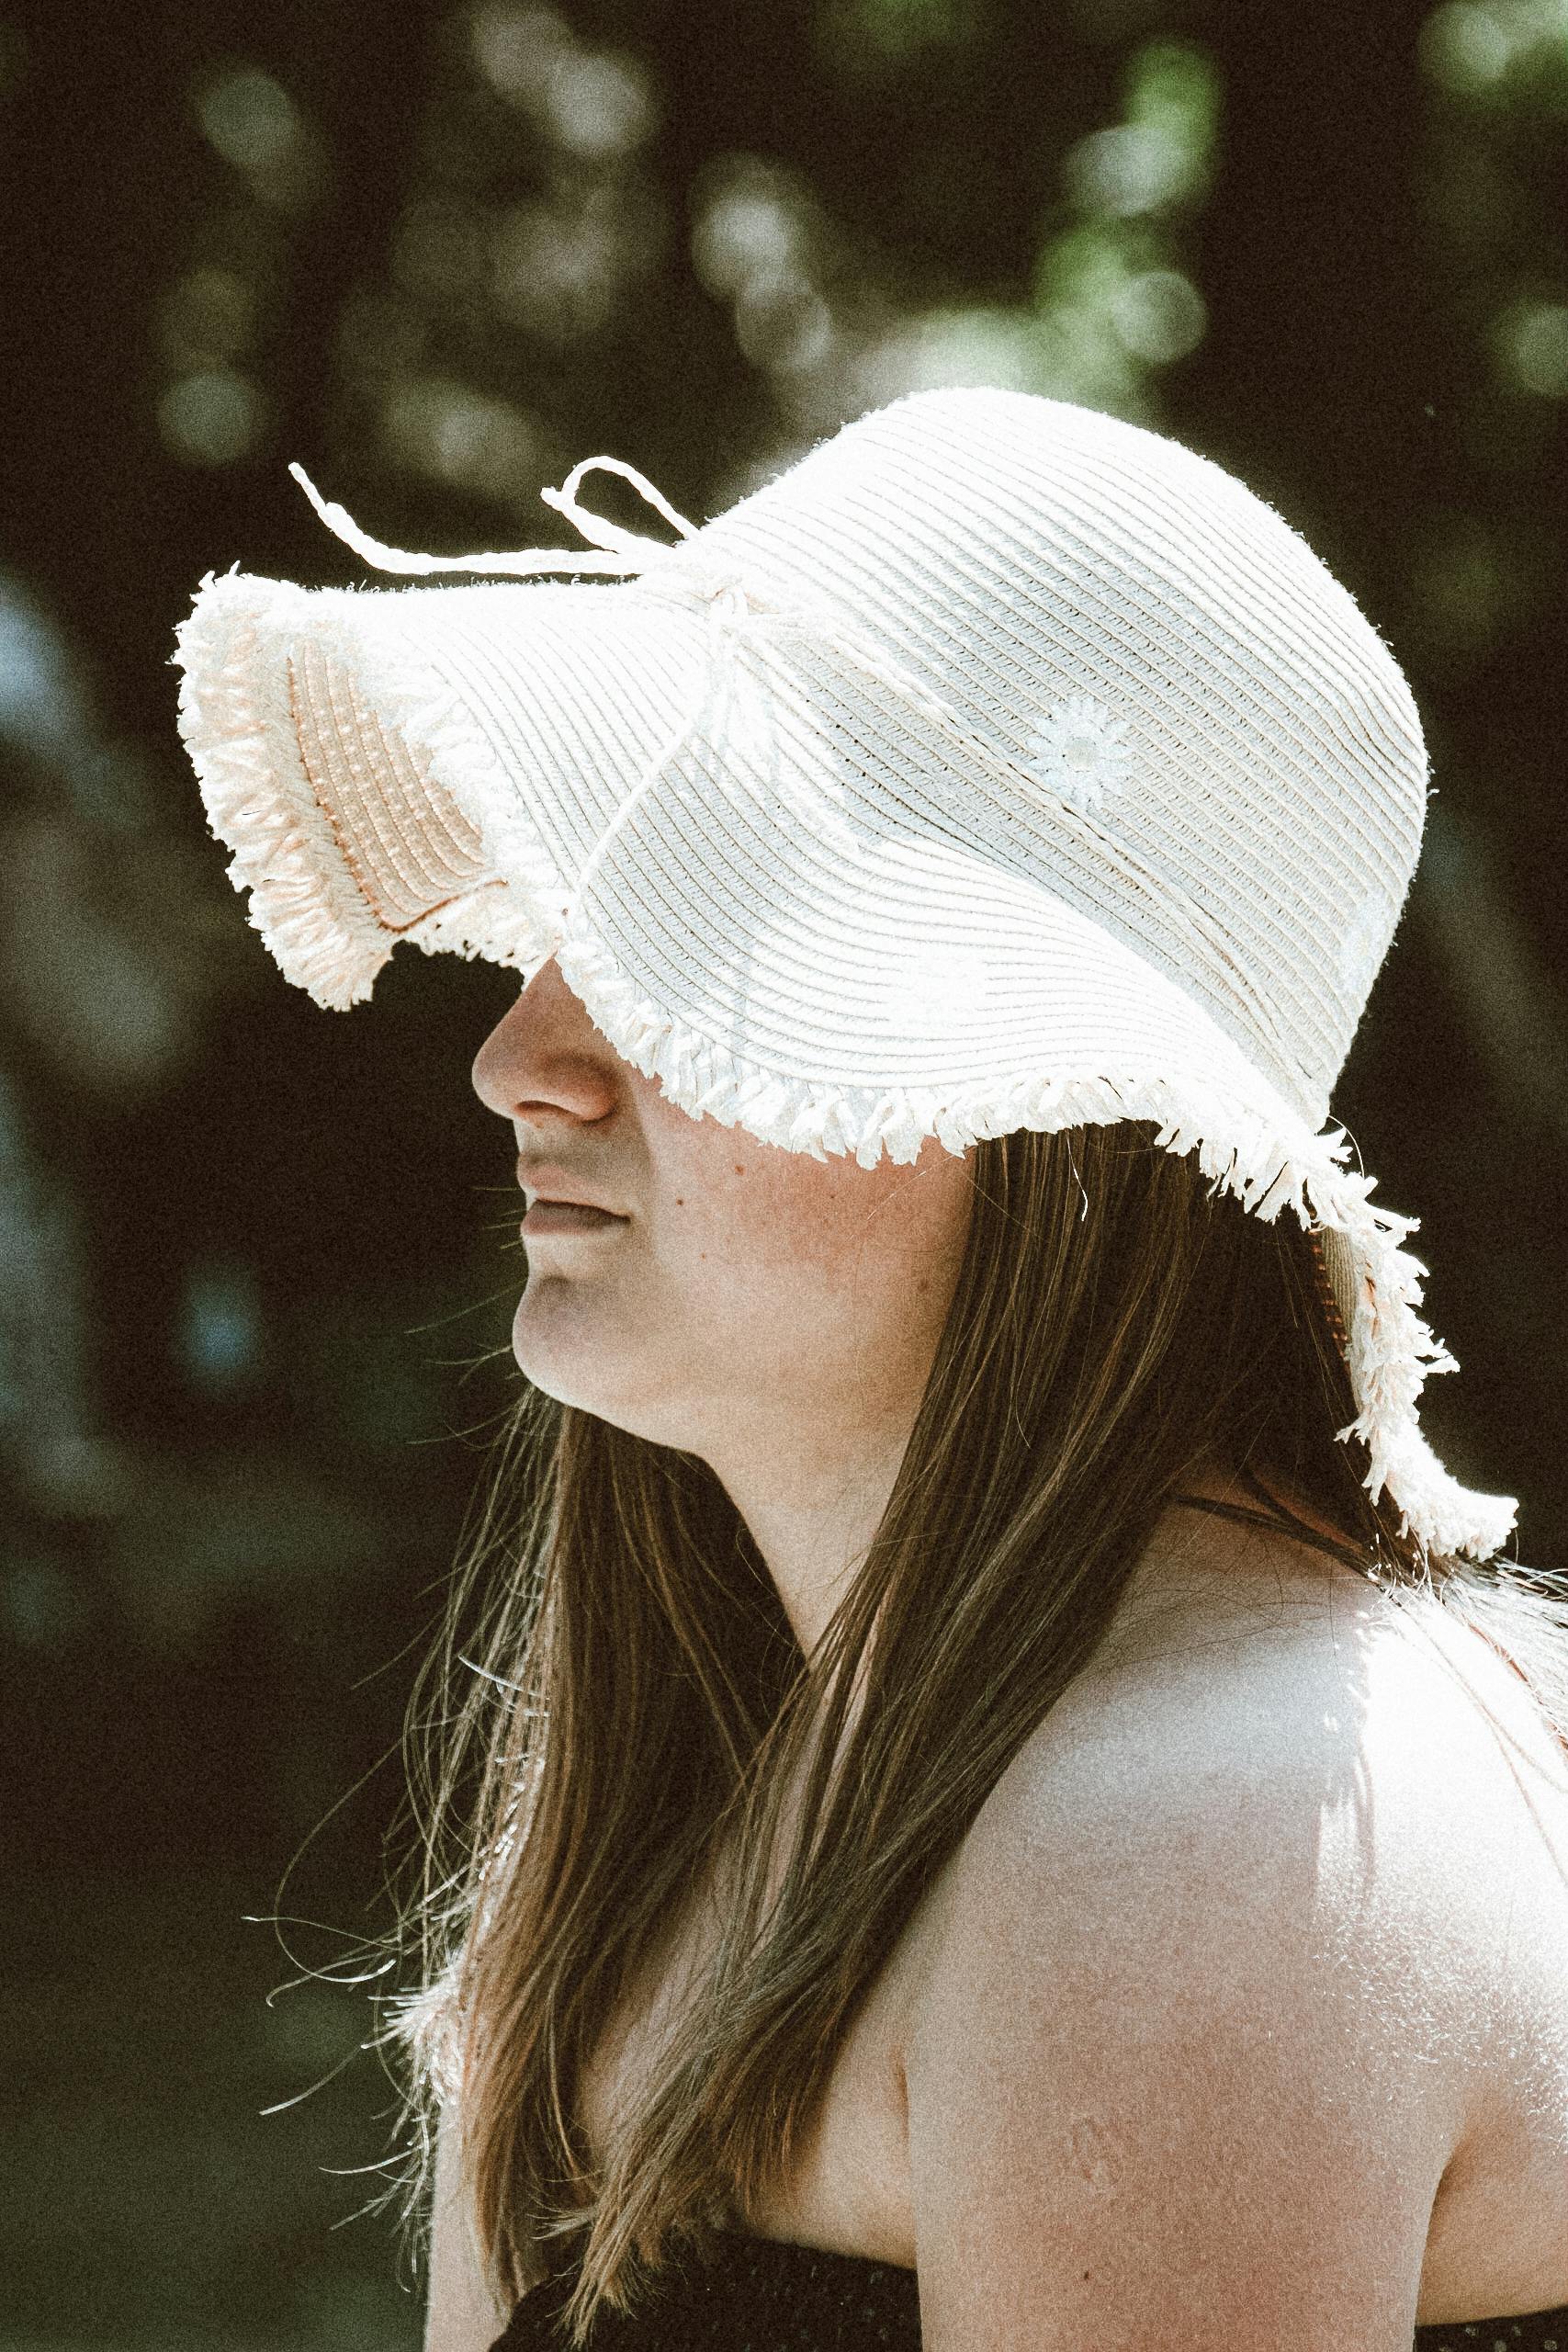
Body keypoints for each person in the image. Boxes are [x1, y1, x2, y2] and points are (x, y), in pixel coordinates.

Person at [174, 388, 1568, 2351]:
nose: (519, 1063)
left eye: (698, 955)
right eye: (574, 925)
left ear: (1064, 1113)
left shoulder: (1200, 1843)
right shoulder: (696, 1781)